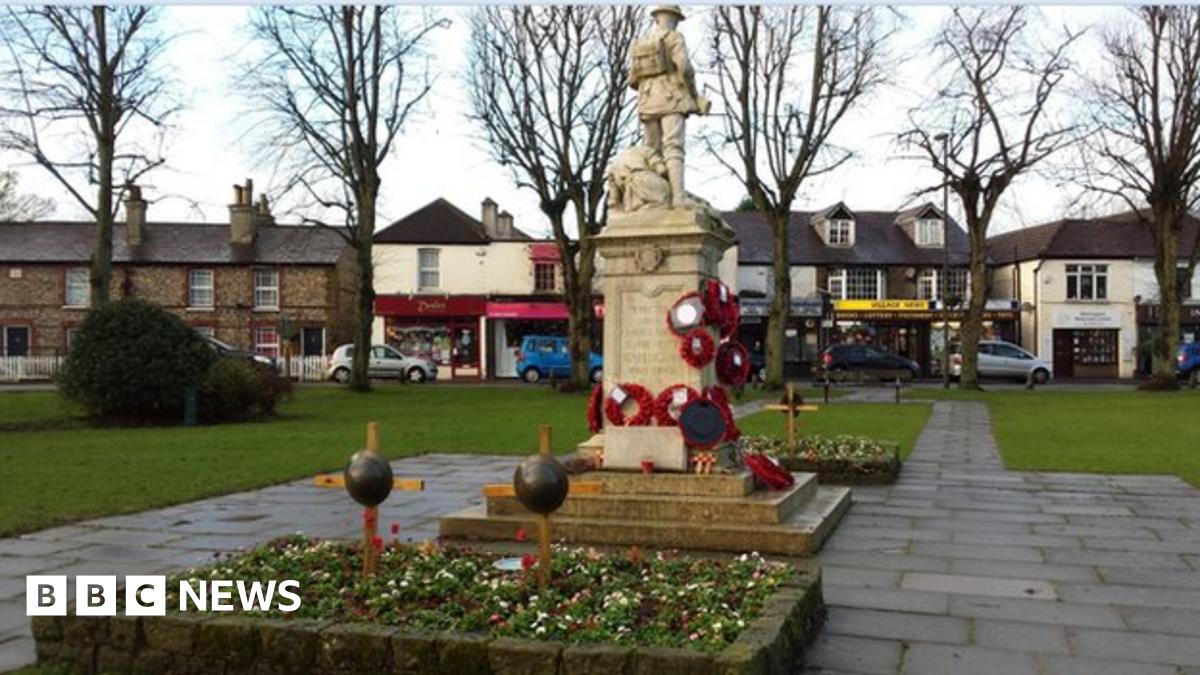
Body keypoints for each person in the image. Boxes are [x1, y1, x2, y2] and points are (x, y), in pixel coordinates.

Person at [628, 5, 708, 208]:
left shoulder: (643, 42)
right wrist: (694, 94)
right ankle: (677, 198)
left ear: (656, 18)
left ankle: (651, 199)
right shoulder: (674, 37)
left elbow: (632, 81)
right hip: (671, 98)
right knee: (674, 147)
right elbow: (685, 68)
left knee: (651, 150)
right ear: (675, 19)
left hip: (647, 100)